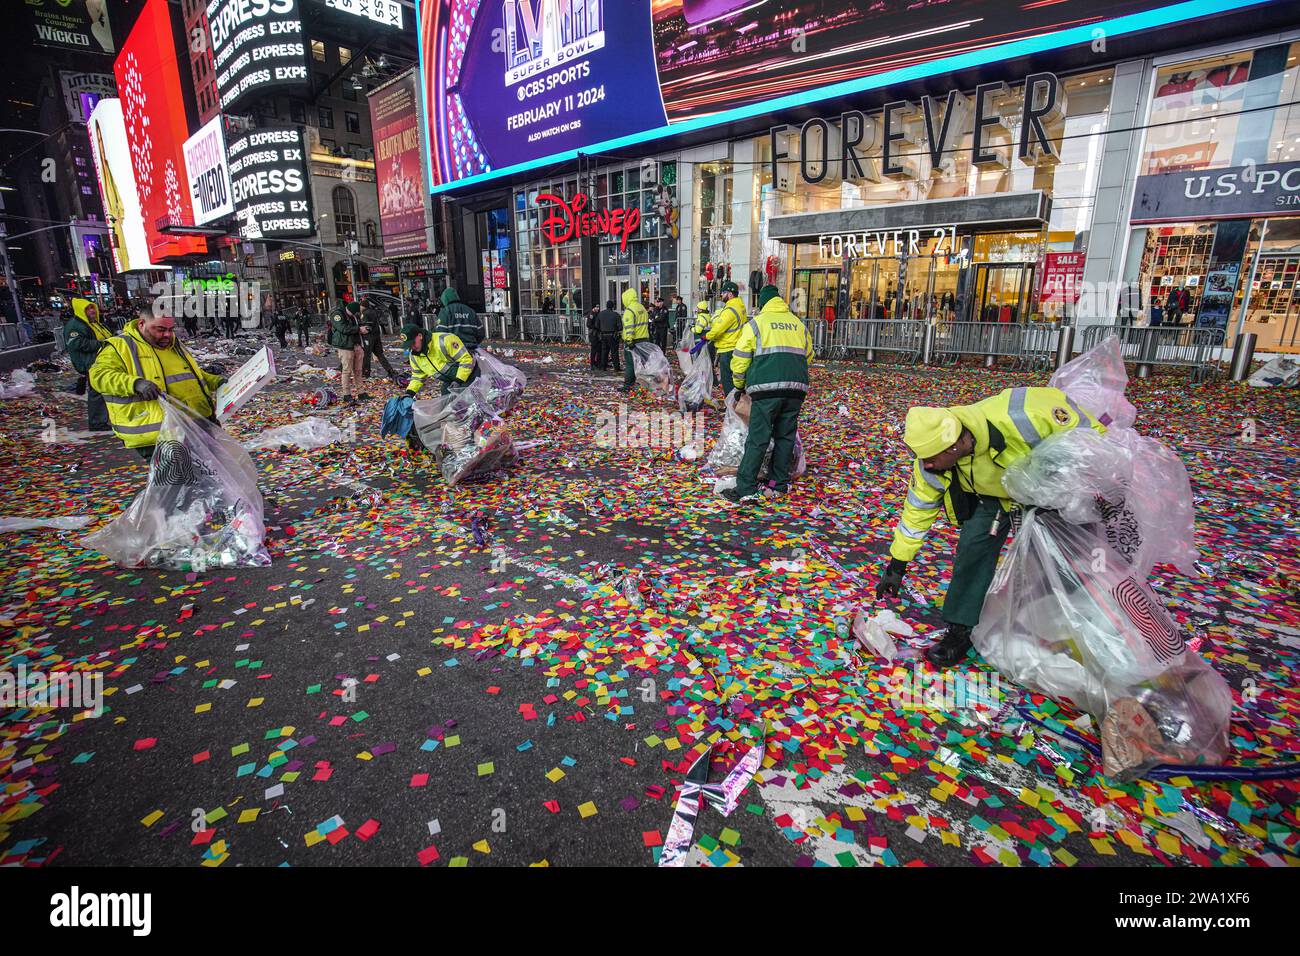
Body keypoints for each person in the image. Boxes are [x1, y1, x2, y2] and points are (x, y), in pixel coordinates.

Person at [875, 387, 1106, 668]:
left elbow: (1091, 437)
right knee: (973, 549)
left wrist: (1077, 485)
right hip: (992, 496)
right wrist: (897, 564)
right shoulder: (932, 464)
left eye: (932, 458)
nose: (926, 464)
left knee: (1057, 556)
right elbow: (918, 509)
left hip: (1048, 490)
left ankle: (1060, 625)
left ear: (955, 445)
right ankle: (960, 630)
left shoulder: (1024, 415)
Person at [89, 305, 224, 460]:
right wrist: (135, 384)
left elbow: (192, 374)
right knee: (178, 481)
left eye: (171, 329)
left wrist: (216, 381)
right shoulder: (120, 346)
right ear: (141, 324)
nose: (167, 334)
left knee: (211, 478)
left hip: (196, 425)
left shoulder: (174, 344)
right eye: (160, 329)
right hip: (159, 435)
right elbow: (98, 376)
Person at [721, 285, 814, 505]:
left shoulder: (756, 324)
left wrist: (739, 385)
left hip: (765, 389)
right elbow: (808, 355)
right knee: (785, 436)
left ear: (762, 303)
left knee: (758, 438)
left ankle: (745, 487)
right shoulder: (798, 325)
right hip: (796, 389)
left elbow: (741, 359)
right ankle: (777, 484)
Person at [63, 297, 114, 432]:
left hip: (101, 362)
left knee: (103, 390)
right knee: (97, 392)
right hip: (91, 363)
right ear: (81, 311)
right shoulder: (75, 325)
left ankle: (101, 419)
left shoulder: (94, 323)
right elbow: (77, 343)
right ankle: (97, 422)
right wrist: (103, 343)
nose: (92, 311)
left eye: (92, 308)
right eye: (88, 309)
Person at [401, 324, 477, 397]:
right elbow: (417, 376)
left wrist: (459, 380)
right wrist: (409, 393)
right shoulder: (414, 356)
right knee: (447, 405)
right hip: (451, 381)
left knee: (470, 402)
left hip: (471, 375)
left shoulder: (444, 340)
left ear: (420, 336)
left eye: (413, 343)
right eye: (409, 345)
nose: (412, 347)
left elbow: (466, 360)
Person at [699, 280, 747, 397]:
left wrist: (707, 336)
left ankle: (731, 406)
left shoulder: (730, 310)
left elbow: (718, 329)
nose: (722, 295)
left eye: (723, 292)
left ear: (730, 294)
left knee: (727, 380)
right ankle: (737, 404)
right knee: (736, 379)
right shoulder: (740, 306)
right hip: (736, 346)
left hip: (727, 348)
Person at [329, 300, 368, 404]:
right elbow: (343, 328)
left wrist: (363, 328)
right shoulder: (337, 314)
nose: (354, 315)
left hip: (356, 345)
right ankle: (346, 394)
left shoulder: (354, 316)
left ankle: (361, 393)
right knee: (347, 371)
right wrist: (359, 329)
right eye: (353, 313)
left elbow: (356, 326)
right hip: (345, 345)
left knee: (358, 370)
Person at [618, 287, 650, 393]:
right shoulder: (642, 308)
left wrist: (629, 340)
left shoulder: (629, 311)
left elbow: (629, 328)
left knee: (630, 364)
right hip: (644, 339)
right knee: (642, 363)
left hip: (634, 341)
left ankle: (628, 385)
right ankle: (646, 384)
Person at [435, 286, 484, 352]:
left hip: (453, 351)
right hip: (472, 350)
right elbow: (481, 333)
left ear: (445, 299)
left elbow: (440, 333)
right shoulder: (470, 311)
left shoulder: (445, 312)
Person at [362, 301, 399, 382]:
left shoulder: (364, 313)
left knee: (367, 355)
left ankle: (366, 373)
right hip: (376, 336)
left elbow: (366, 325)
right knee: (380, 354)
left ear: (362, 306)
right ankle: (390, 371)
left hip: (369, 337)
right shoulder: (374, 312)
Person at [596, 299, 621, 371]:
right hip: (612, 335)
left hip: (603, 335)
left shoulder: (601, 314)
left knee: (604, 351)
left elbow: (597, 325)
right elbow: (620, 327)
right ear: (612, 306)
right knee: (614, 352)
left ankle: (603, 366)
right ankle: (616, 367)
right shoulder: (616, 315)